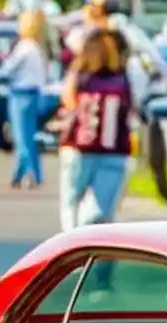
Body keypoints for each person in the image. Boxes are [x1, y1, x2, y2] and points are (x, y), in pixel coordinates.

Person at [60, 30, 134, 231]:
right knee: (102, 210)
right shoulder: (123, 79)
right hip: (113, 148)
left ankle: (71, 246)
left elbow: (67, 100)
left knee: (71, 202)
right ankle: (93, 244)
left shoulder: (82, 76)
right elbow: (133, 109)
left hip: (79, 146)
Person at [0, 10, 49, 189]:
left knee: (21, 138)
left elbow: (8, 70)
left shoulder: (24, 47)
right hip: (34, 94)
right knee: (28, 136)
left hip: (20, 95)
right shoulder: (36, 48)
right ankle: (17, 175)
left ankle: (33, 174)